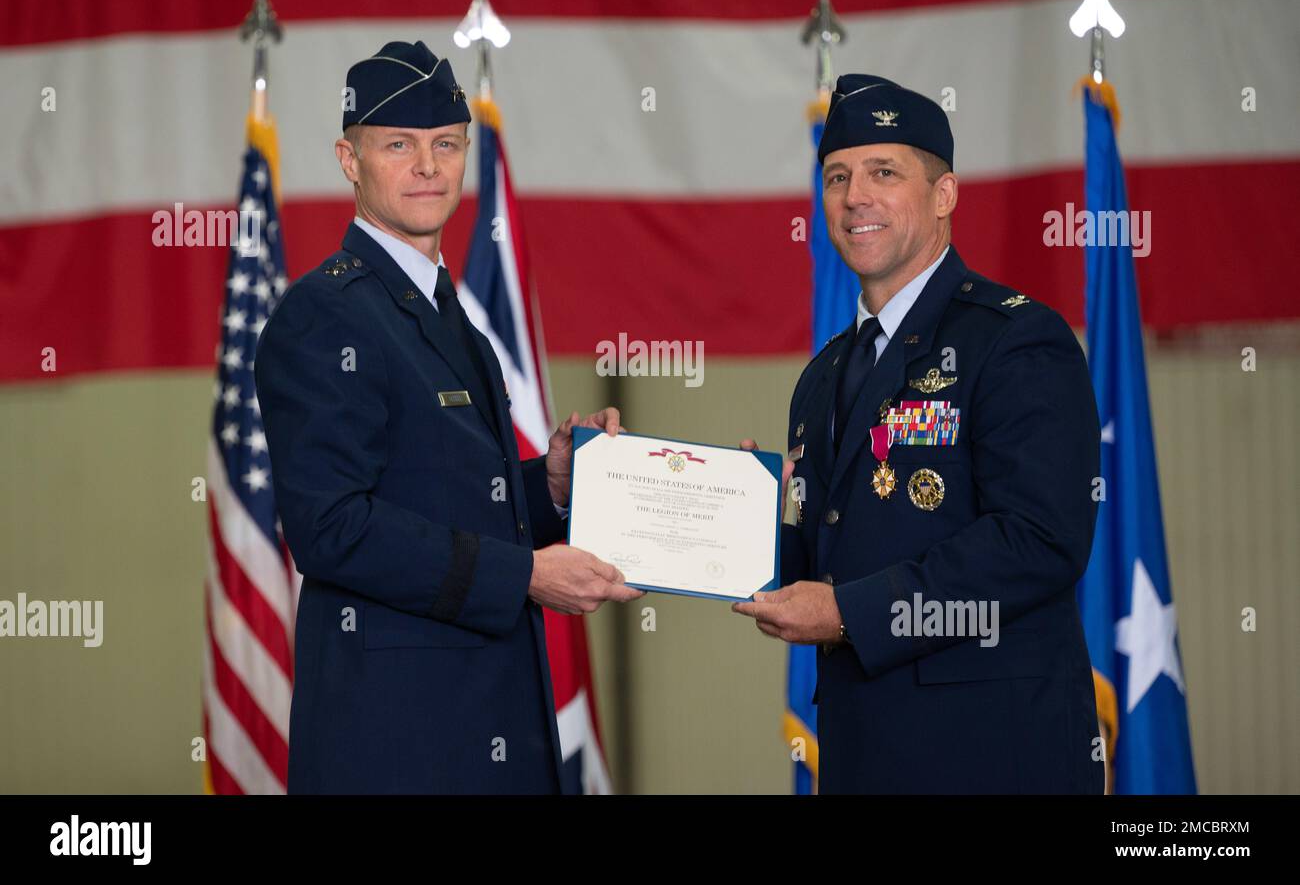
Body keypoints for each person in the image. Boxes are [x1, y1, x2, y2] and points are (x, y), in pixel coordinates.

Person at [254, 40, 641, 793]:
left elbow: (448, 497)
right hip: (399, 747)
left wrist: (552, 485)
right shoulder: (324, 315)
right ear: (348, 158)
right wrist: (525, 573)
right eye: (398, 144)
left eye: (446, 144)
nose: (428, 165)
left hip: (490, 730)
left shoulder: (445, 310)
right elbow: (332, 528)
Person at [735, 74, 1104, 794]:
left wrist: (847, 611)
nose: (854, 197)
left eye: (884, 172)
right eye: (838, 176)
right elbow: (827, 555)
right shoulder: (824, 376)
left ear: (944, 195)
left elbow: (1039, 540)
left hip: (993, 757)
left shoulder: (1017, 340)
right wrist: (729, 517)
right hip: (866, 754)